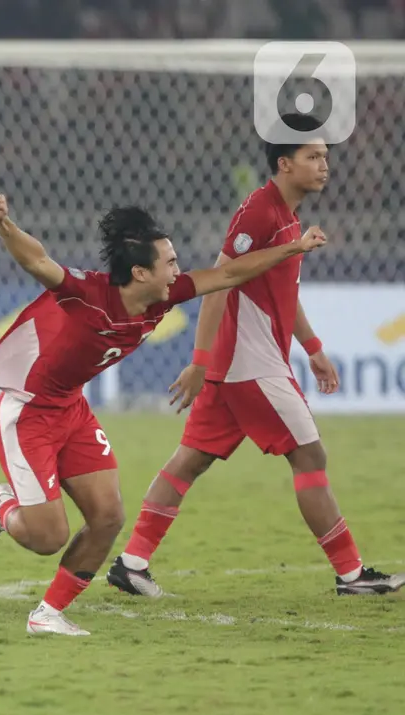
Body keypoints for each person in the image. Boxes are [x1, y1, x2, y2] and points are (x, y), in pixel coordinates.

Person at [0, 193, 327, 636]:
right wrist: (3, 223)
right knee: (48, 537)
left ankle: (48, 613)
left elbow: (230, 273)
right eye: (170, 262)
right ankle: (3, 506)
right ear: (140, 272)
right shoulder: (87, 294)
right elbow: (38, 261)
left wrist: (294, 247)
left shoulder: (165, 295)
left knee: (108, 516)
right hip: (29, 412)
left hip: (72, 408)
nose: (178, 270)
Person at [108, 114, 405, 598]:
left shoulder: (288, 217)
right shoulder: (260, 213)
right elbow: (219, 282)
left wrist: (313, 348)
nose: (324, 165)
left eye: (325, 156)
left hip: (238, 365)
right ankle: (351, 575)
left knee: (189, 461)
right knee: (309, 454)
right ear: (284, 164)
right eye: (313, 156)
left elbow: (282, 293)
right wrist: (200, 360)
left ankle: (131, 563)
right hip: (249, 364)